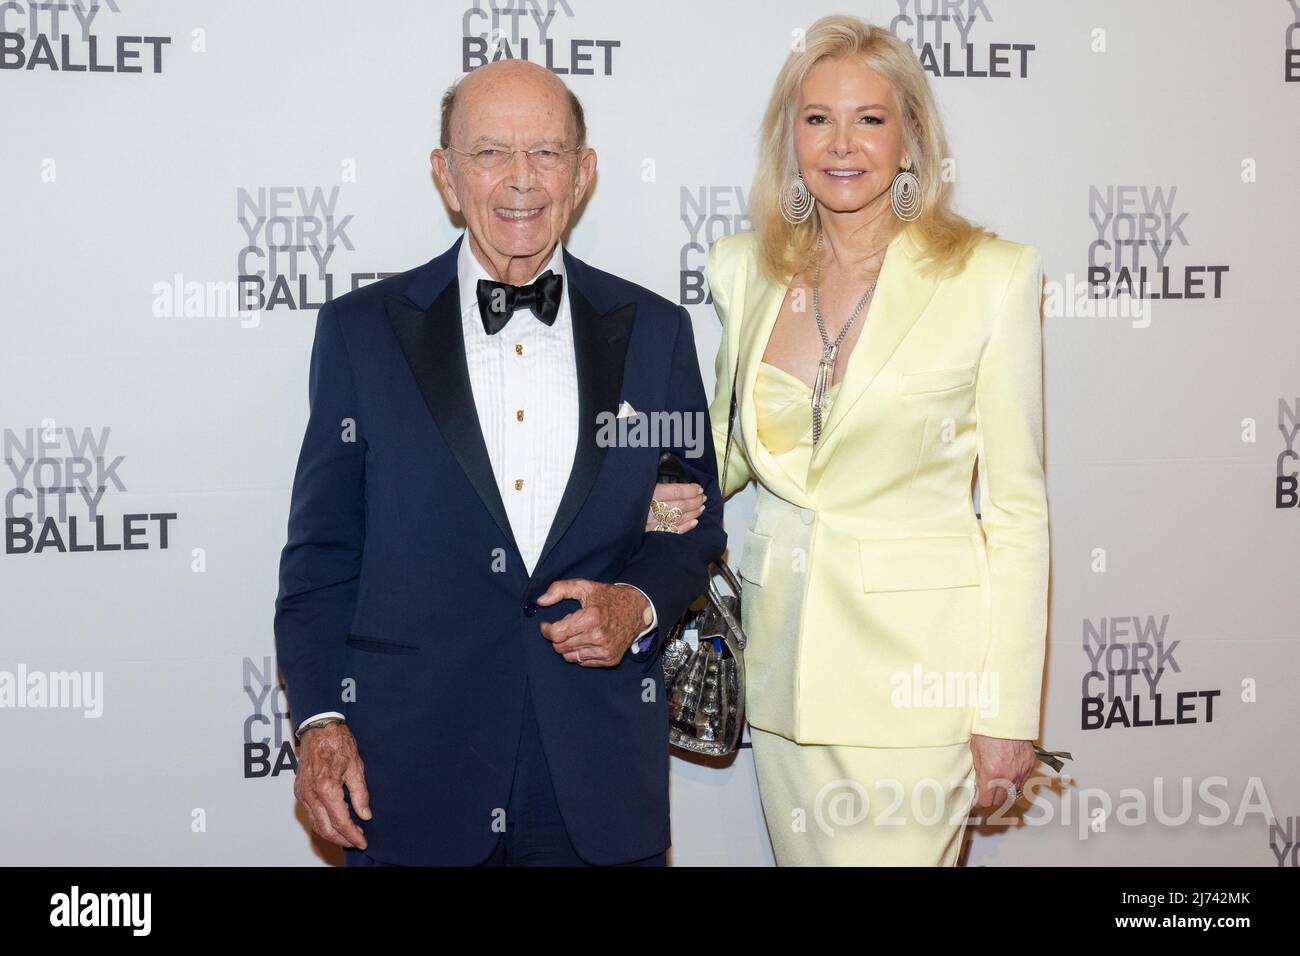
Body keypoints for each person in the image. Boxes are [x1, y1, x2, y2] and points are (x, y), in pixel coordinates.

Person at [274, 59, 725, 867]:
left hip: (596, 771)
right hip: (410, 771)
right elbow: (321, 556)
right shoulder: (362, 332)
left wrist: (636, 602)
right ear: (446, 177)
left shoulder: (654, 332)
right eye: (489, 154)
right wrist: (319, 722)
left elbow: (686, 512)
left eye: (547, 153)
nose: (521, 180)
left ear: (583, 174)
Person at [694, 14, 1050, 866]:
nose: (841, 143)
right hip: (784, 680)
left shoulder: (989, 277)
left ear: (911, 138)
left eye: (870, 118)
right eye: (817, 118)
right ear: (791, 137)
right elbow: (721, 455)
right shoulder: (743, 268)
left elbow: (1016, 508)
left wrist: (1006, 713)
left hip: (918, 688)